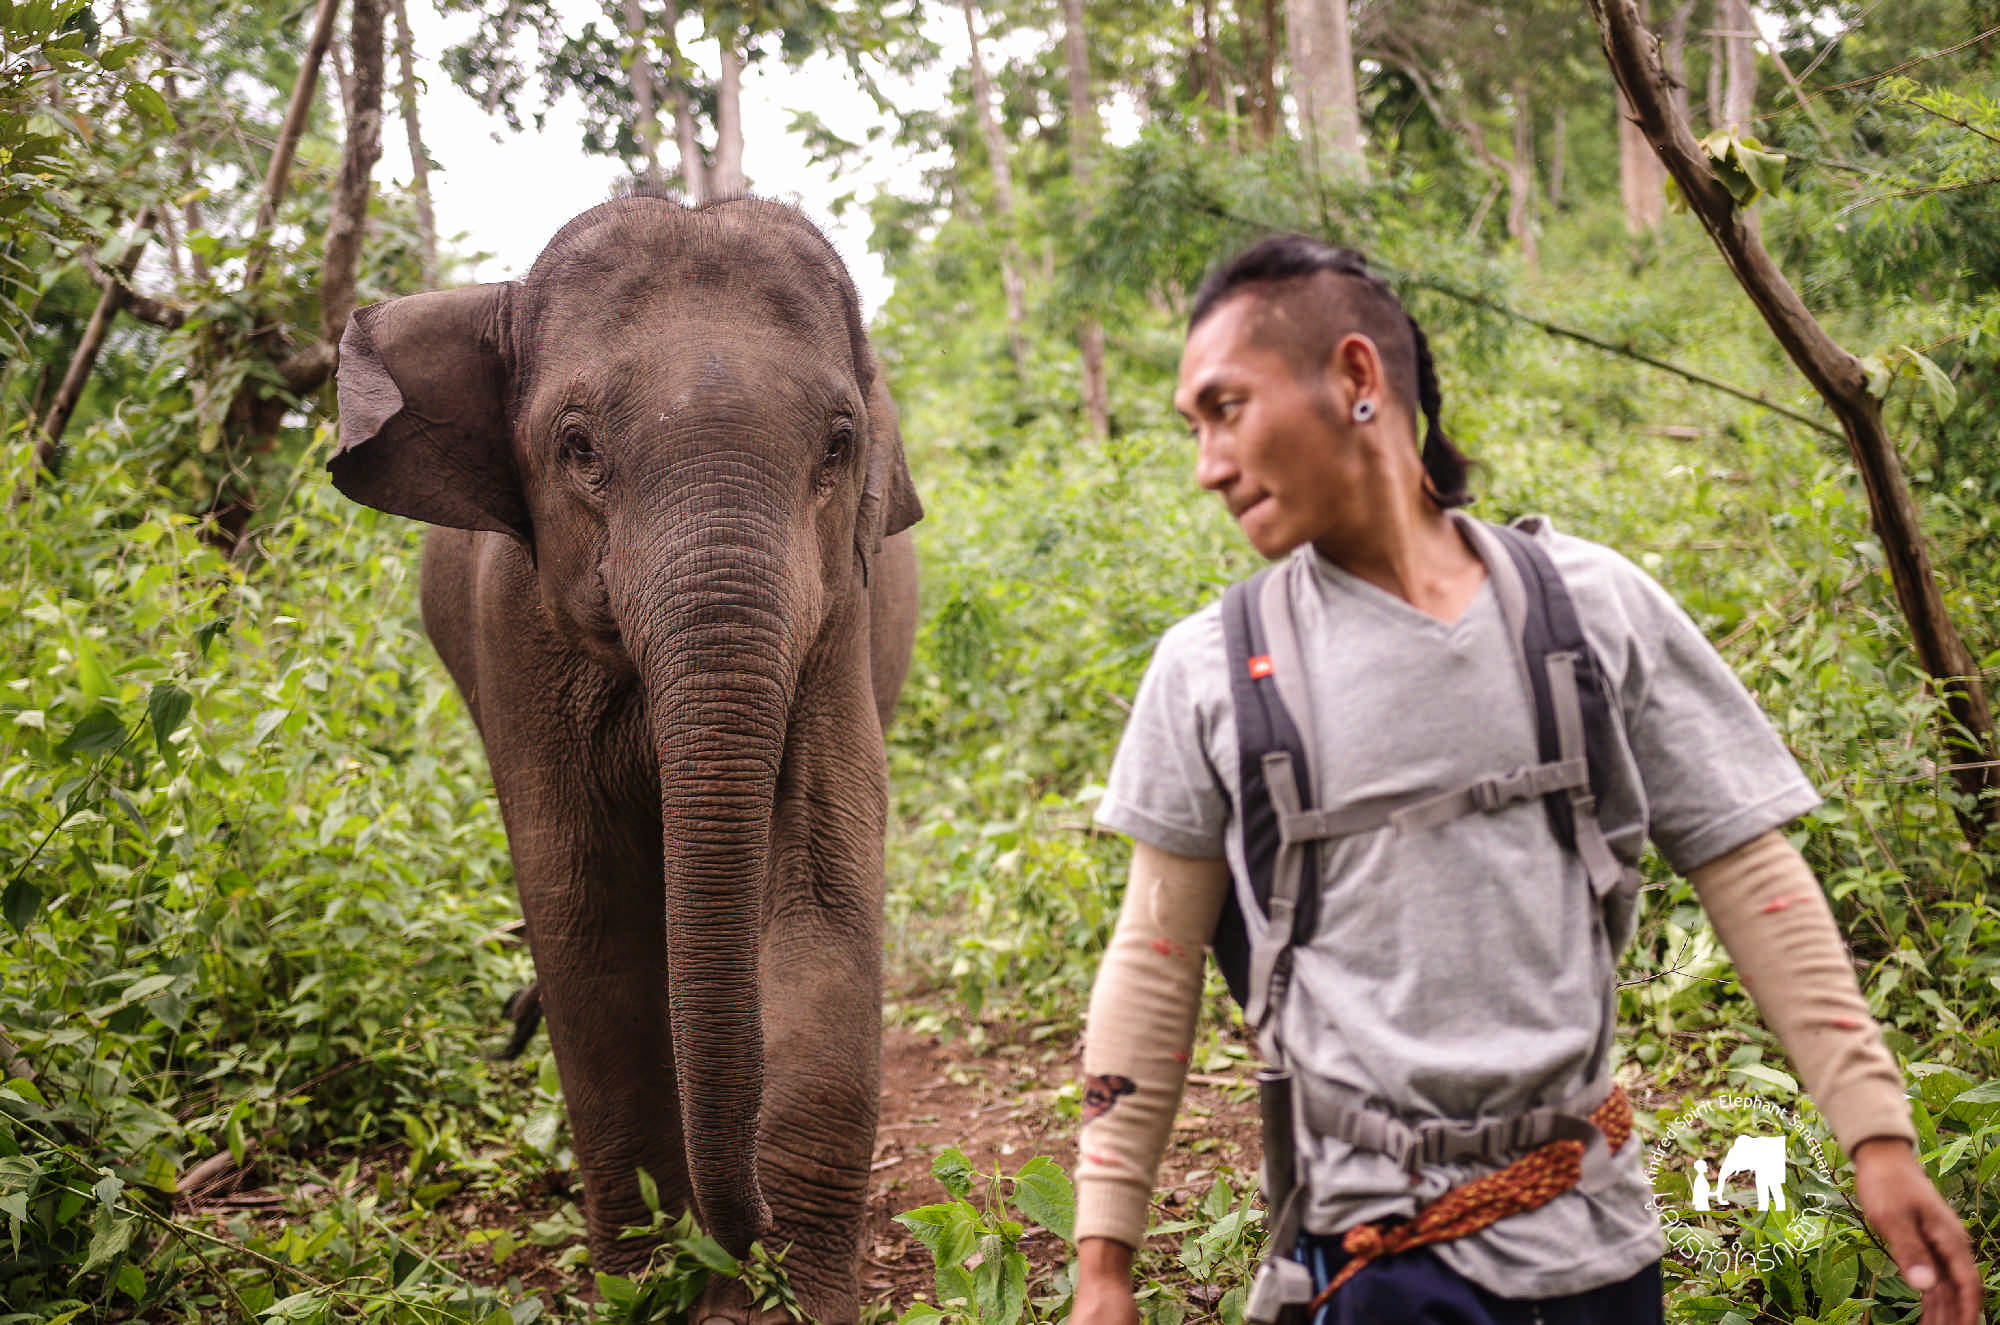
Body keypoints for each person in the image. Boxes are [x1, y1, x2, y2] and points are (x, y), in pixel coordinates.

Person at [1071, 235, 1980, 1325]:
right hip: (1366, 1258)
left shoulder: (1590, 609)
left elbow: (1751, 873)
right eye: (1193, 427)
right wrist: (1103, 1262)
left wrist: (1873, 1133)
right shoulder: (1208, 667)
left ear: (1356, 378)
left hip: (1594, 1238)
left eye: (1225, 408)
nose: (1207, 463)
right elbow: (1155, 954)